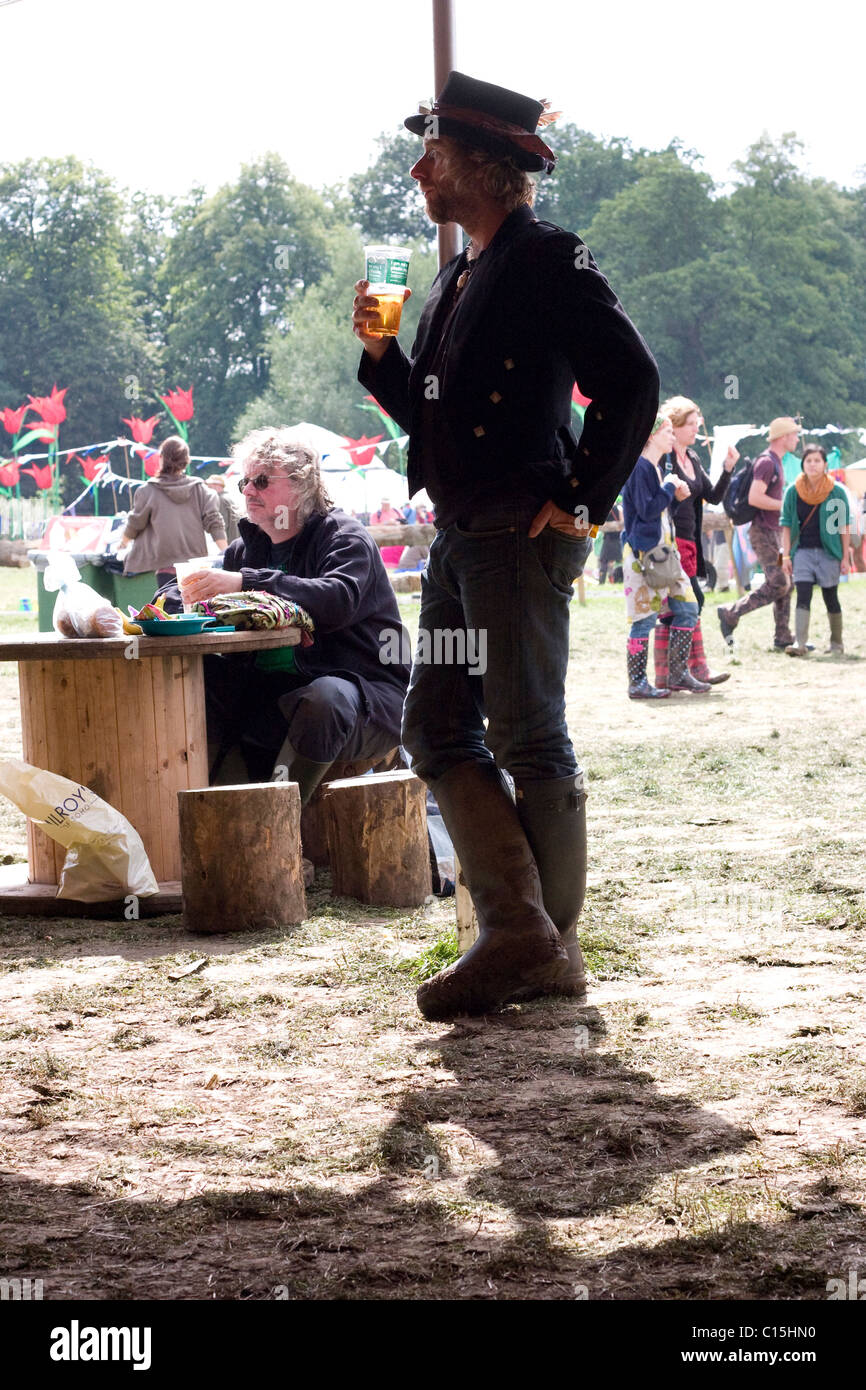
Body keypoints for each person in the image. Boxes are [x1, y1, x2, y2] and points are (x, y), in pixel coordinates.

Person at [353, 70, 659, 1020]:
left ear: (480, 166)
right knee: (434, 727)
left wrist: (579, 500)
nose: (417, 170)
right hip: (458, 541)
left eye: (432, 154)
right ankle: (520, 933)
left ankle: (545, 950)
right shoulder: (457, 273)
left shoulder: (545, 257)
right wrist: (379, 361)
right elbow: (433, 418)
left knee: (529, 738)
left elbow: (633, 384)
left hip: (513, 539)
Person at [161, 429, 410, 803]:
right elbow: (186, 594)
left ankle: (280, 821)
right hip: (271, 694)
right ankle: (209, 808)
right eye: (245, 480)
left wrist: (246, 582)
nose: (248, 490)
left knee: (323, 699)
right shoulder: (244, 551)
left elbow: (337, 599)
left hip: (363, 697)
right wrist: (179, 597)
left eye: (262, 481)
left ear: (302, 483)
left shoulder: (344, 538)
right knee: (195, 678)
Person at [621, 416, 707, 698]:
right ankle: (637, 682)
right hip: (642, 556)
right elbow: (646, 510)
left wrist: (672, 494)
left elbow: (654, 511)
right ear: (651, 435)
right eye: (667, 432)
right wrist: (669, 487)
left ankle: (679, 675)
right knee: (643, 620)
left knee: (688, 608)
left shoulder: (653, 468)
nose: (672, 437)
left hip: (664, 552)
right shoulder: (639, 468)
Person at [654, 396, 737, 687]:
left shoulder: (693, 459)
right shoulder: (665, 460)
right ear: (673, 427)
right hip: (669, 542)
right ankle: (693, 669)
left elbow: (712, 496)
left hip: (690, 542)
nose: (695, 430)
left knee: (675, 606)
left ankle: (667, 674)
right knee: (692, 601)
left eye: (696, 424)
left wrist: (728, 469)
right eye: (690, 424)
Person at [717, 417, 798, 651]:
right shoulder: (767, 463)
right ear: (783, 437)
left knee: (786, 582)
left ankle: (782, 635)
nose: (796, 439)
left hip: (774, 532)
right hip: (763, 532)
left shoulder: (776, 462)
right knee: (779, 582)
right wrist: (784, 505)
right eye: (793, 435)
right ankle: (731, 612)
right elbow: (755, 497)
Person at [780, 443, 851, 656]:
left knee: (831, 596)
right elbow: (785, 525)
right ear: (803, 464)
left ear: (825, 464)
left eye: (817, 460)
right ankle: (800, 644)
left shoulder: (836, 492)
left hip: (829, 552)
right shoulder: (793, 491)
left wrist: (845, 556)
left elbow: (843, 527)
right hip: (802, 552)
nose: (812, 465)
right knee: (803, 595)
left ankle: (837, 644)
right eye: (808, 460)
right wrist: (785, 555)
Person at [121, 436, 227, 577]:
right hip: (195, 566)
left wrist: (123, 543)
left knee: (165, 599)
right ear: (187, 460)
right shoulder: (200, 490)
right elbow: (214, 523)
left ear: (162, 458)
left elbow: (135, 523)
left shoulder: (148, 491)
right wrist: (226, 554)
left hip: (162, 565)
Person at [206, 473, 242, 543]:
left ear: (217, 486)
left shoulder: (220, 499)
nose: (208, 488)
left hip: (228, 542)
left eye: (210, 486)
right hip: (236, 540)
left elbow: (222, 526)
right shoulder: (228, 497)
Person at [597, 503, 624, 585]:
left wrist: (608, 526)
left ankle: (605, 581)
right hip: (615, 538)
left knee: (604, 561)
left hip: (610, 539)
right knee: (609, 561)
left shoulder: (606, 508)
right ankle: (612, 580)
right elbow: (621, 524)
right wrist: (615, 526)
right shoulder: (618, 509)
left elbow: (600, 525)